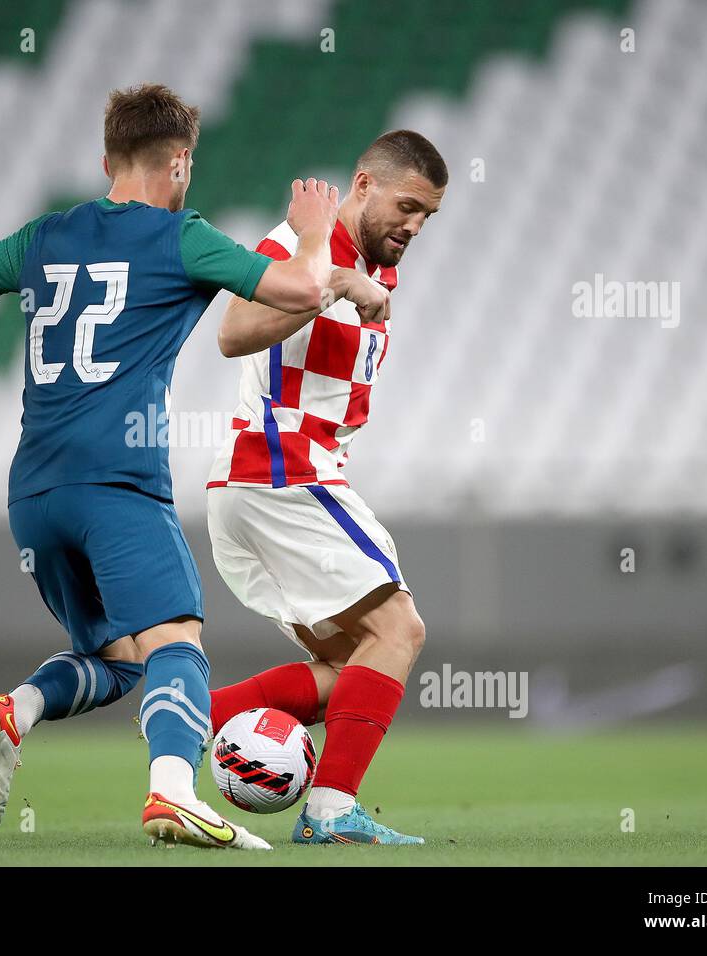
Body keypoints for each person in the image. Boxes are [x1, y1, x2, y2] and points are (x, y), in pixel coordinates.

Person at [0, 84, 338, 850]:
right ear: (180, 160)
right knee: (174, 641)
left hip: (34, 492)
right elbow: (303, 289)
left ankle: (15, 710)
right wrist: (314, 233)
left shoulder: (47, 235)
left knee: (115, 660)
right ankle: (173, 794)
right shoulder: (181, 236)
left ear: (105, 160)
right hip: (118, 483)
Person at [205, 130, 447, 845]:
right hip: (282, 468)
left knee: (349, 667)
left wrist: (356, 281)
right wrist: (333, 280)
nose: (414, 225)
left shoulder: (377, 263)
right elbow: (234, 331)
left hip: (270, 480)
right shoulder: (307, 244)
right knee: (399, 629)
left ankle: (185, 714)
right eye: (406, 205)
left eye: (428, 215)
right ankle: (331, 813)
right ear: (363, 186)